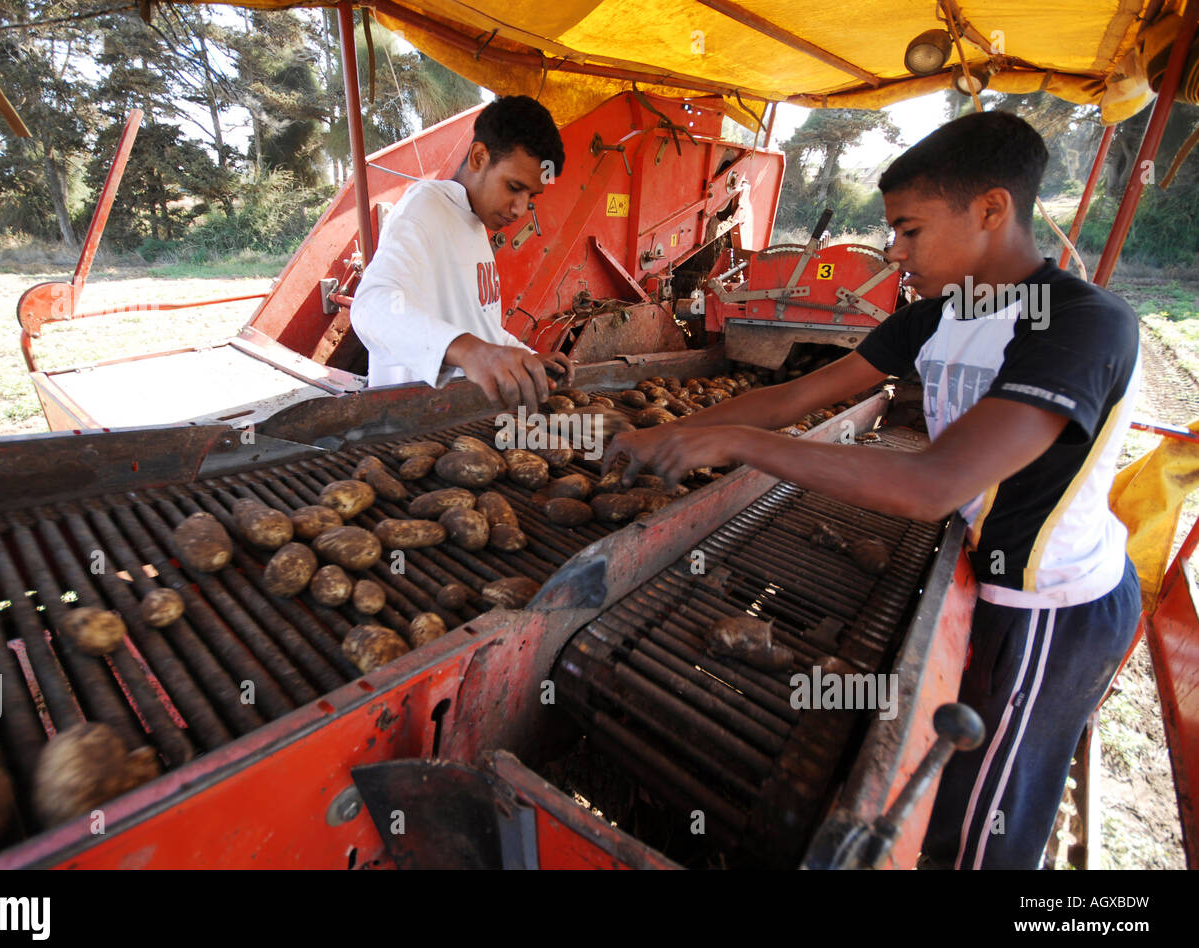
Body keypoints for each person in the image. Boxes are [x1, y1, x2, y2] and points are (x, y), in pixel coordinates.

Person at [605, 111, 1142, 870]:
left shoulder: (1084, 326)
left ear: (991, 210)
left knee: (980, 828)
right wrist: (670, 436)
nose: (893, 252)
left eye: (910, 230)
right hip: (978, 571)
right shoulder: (939, 314)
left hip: (1047, 607)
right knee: (947, 791)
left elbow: (934, 483)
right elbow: (798, 397)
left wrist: (731, 444)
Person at [350, 95, 573, 410]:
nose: (520, 209)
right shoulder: (425, 207)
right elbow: (371, 307)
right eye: (513, 187)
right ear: (479, 157)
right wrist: (469, 350)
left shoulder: (475, 221)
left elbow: (479, 327)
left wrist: (528, 357)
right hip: (411, 422)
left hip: (461, 421)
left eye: (531, 196)